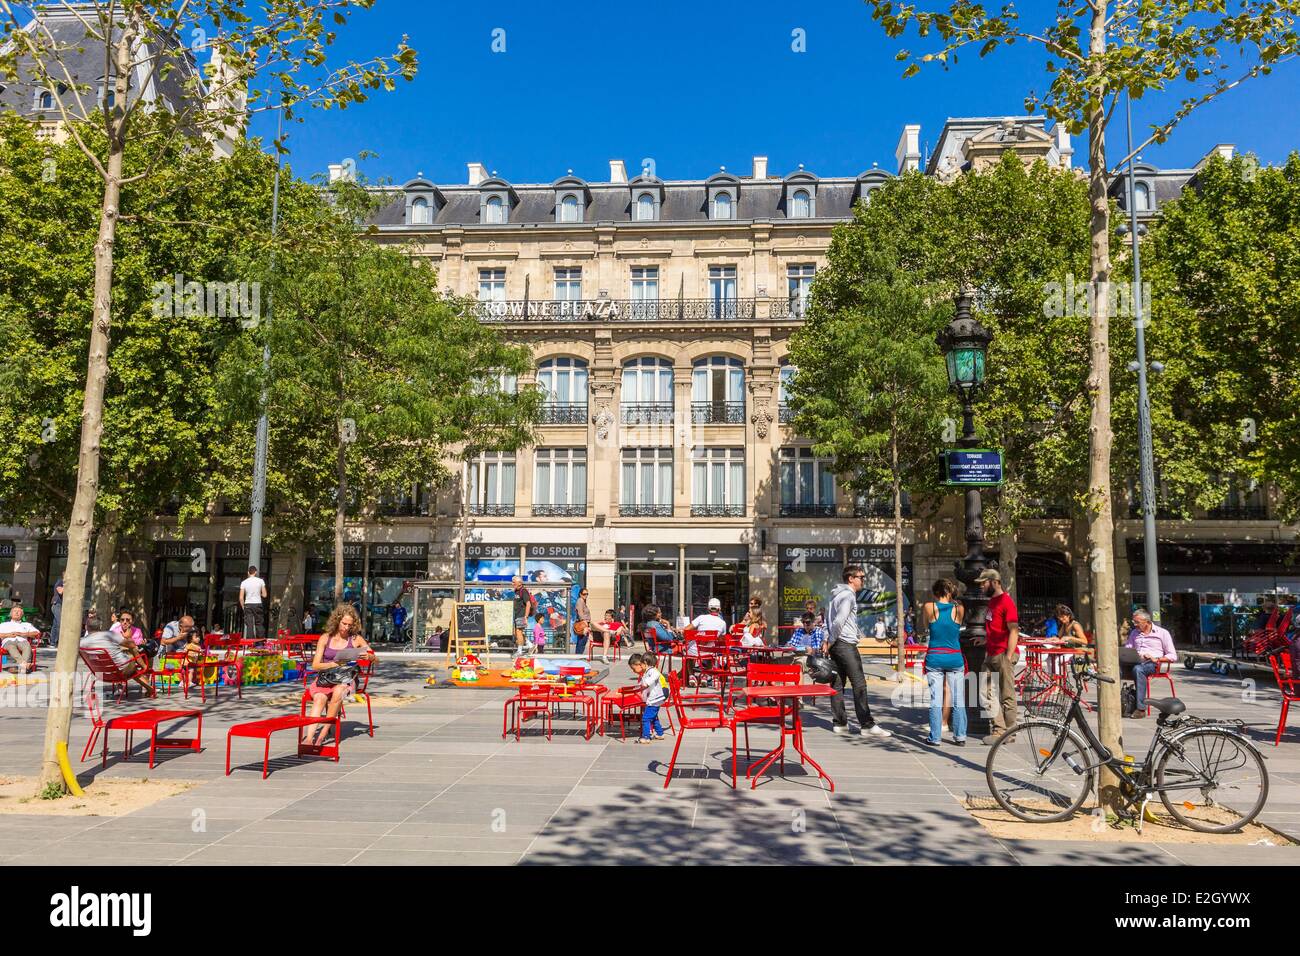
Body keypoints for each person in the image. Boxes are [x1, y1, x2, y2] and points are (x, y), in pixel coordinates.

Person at [823, 566, 891, 738]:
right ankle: (867, 725)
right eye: (861, 577)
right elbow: (838, 621)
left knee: (837, 684)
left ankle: (840, 723)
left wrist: (828, 641)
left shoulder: (835, 595)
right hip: (845, 644)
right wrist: (830, 641)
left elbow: (827, 621)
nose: (863, 580)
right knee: (859, 684)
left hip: (837, 643)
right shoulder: (848, 596)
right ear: (850, 579)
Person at [304, 604, 374, 747]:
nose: (346, 627)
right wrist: (335, 664)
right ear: (337, 621)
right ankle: (309, 738)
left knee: (338, 692)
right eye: (344, 623)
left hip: (347, 679)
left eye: (350, 624)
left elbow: (375, 657)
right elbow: (315, 665)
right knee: (319, 698)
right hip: (327, 678)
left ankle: (323, 734)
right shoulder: (325, 638)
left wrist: (369, 657)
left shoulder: (355, 639)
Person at [921, 579, 967, 746]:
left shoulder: (929, 607)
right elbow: (957, 627)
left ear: (935, 592)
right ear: (950, 592)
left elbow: (926, 626)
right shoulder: (959, 609)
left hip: (935, 657)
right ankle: (960, 736)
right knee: (958, 699)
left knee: (935, 699)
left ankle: (935, 737)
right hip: (955, 657)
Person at [977, 568, 1020, 743]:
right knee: (984, 690)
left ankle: (1008, 732)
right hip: (992, 652)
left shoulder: (1006, 602)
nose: (981, 586)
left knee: (1007, 694)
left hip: (1003, 653)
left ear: (994, 582)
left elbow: (1014, 630)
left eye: (983, 583)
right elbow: (995, 628)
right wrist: (985, 641)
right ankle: (999, 729)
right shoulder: (992, 602)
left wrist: (1008, 656)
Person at [1126, 609, 1177, 719]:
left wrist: (1155, 658)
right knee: (1116, 669)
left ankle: (1140, 709)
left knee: (1138, 670)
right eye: (1133, 622)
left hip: (1154, 664)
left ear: (1147, 621)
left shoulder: (1162, 633)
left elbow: (1173, 656)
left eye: (1137, 622)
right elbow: (1128, 648)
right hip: (1135, 661)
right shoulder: (1134, 633)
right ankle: (1121, 702)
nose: (1134, 625)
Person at [79, 629, 154, 695]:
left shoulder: (81, 642)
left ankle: (149, 687)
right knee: (131, 657)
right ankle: (145, 668)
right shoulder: (109, 634)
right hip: (120, 672)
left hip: (100, 673)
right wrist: (128, 638)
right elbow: (132, 645)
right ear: (100, 626)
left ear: (86, 627)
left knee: (126, 664)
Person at [629, 652, 668, 743]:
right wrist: (636, 688)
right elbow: (642, 682)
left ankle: (646, 737)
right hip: (656, 697)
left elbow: (654, 676)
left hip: (656, 697)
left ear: (645, 663)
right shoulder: (647, 672)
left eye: (641, 664)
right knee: (653, 717)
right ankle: (660, 733)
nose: (641, 666)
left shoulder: (652, 671)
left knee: (646, 718)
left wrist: (646, 684)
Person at [0, 606, 38, 672]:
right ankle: (24, 666)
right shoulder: (3, 624)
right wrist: (8, 635)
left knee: (27, 646)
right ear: (11, 614)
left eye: (19, 611)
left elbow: (36, 633)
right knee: (11, 647)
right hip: (8, 641)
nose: (17, 612)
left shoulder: (27, 624)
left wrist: (23, 634)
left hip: (22, 640)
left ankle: (21, 667)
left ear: (22, 614)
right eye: (15, 611)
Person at [239, 565, 268, 641]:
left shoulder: (244, 582)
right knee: (259, 623)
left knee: (249, 625)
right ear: (256, 572)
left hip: (248, 604)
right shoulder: (261, 581)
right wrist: (259, 594)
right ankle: (260, 642)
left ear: (248, 572)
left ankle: (250, 643)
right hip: (257, 604)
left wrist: (243, 607)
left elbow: (241, 598)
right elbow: (265, 595)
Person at [511, 575, 535, 651]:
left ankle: (520, 651)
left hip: (522, 615)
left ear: (519, 583)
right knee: (517, 633)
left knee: (518, 632)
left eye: (514, 582)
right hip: (517, 615)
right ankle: (529, 644)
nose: (512, 584)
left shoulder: (523, 591)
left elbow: (528, 604)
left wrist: (526, 617)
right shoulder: (516, 591)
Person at [573, 588, 592, 655]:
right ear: (580, 594)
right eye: (584, 594)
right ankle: (578, 655)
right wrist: (585, 624)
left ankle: (578, 655)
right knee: (582, 641)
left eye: (587, 594)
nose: (586, 595)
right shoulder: (580, 600)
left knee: (581, 640)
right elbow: (580, 612)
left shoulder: (582, 601)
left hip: (584, 623)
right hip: (583, 624)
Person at [49, 579, 63, 647]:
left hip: (60, 605)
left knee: (55, 624)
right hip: (57, 604)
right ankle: (58, 642)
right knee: (59, 623)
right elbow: (60, 591)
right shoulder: (61, 581)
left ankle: (53, 642)